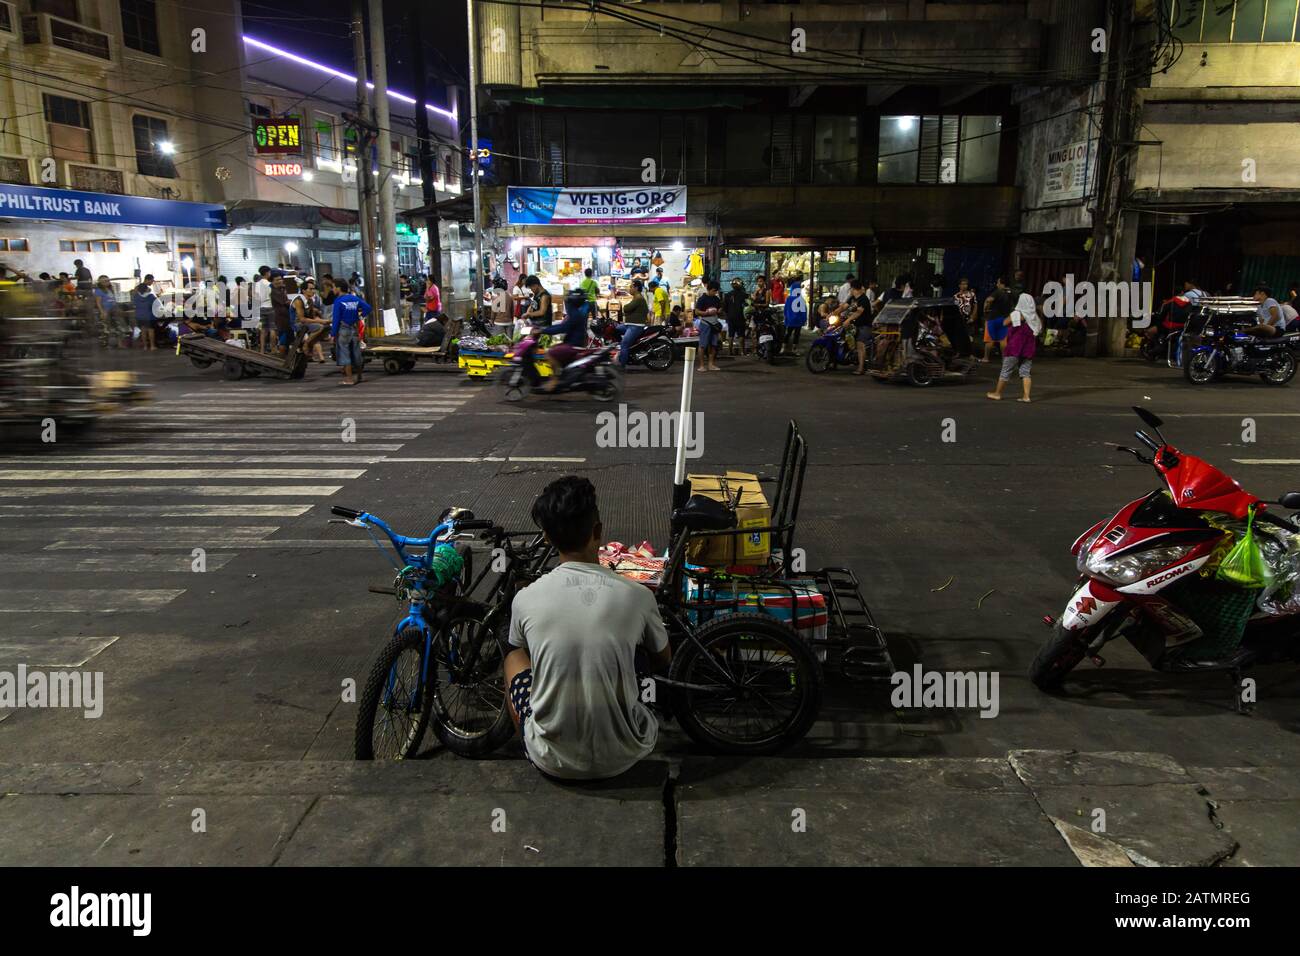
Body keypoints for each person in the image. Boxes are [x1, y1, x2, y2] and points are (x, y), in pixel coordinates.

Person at [503, 476, 670, 781]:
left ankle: (532, 738)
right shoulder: (638, 596)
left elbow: (524, 648)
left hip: (553, 763)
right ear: (598, 532)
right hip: (628, 753)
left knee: (514, 657)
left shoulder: (525, 598)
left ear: (548, 538)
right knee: (639, 655)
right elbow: (664, 659)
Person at [986, 292, 1041, 403]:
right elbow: (1039, 330)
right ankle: (1026, 396)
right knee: (1025, 372)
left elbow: (1005, 323)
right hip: (1028, 348)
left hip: (1015, 347)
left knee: (1005, 371)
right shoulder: (1035, 317)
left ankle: (997, 393)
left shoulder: (1016, 314)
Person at [537, 285, 591, 390]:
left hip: (574, 345)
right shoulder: (576, 312)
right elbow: (563, 327)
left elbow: (562, 328)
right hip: (576, 342)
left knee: (550, 353)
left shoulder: (574, 314)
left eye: (567, 301)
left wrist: (543, 330)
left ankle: (554, 380)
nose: (566, 303)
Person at [331, 278, 371, 385]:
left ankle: (349, 379)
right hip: (354, 329)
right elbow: (368, 308)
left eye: (334, 287)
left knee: (345, 353)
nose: (332, 289)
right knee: (356, 353)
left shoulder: (338, 301)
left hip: (343, 329)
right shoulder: (354, 298)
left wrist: (333, 334)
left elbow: (336, 319)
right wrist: (360, 317)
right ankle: (359, 376)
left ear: (339, 288)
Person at [615, 278, 649, 367]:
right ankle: (623, 350)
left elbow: (626, 308)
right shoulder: (636, 298)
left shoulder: (638, 298)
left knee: (624, 344)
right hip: (629, 325)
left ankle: (622, 365)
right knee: (616, 328)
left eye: (631, 287)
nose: (630, 289)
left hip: (635, 326)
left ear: (636, 288)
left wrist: (626, 310)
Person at [842, 278, 872, 375]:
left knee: (860, 344)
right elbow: (843, 307)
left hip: (864, 326)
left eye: (851, 288)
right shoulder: (852, 298)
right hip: (853, 326)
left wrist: (848, 320)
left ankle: (861, 368)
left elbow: (859, 312)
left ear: (854, 288)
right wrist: (832, 313)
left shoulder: (863, 299)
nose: (850, 290)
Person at [693, 279, 724, 372]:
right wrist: (706, 313)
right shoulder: (702, 299)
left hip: (714, 324)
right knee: (703, 345)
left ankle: (711, 364)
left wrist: (719, 310)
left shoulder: (716, 299)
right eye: (714, 291)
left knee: (713, 345)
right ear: (709, 289)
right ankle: (702, 365)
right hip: (705, 324)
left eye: (716, 291)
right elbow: (697, 311)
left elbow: (720, 308)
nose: (715, 292)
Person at [982, 276, 1014, 363]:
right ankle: (1004, 359)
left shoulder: (998, 292)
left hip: (993, 318)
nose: (997, 284)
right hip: (1004, 319)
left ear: (1001, 283)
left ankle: (986, 358)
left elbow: (989, 300)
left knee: (989, 339)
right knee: (1003, 340)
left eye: (998, 282)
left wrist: (985, 309)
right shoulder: (1011, 292)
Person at [92, 276, 125, 347]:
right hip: (106, 310)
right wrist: (102, 312)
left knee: (118, 326)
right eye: (104, 281)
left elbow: (113, 299)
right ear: (100, 282)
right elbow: (98, 302)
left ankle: (120, 343)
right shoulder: (98, 290)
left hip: (114, 309)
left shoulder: (110, 289)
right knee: (107, 327)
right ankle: (106, 343)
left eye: (107, 281)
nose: (106, 282)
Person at [723, 278, 749, 355]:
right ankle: (742, 351)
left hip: (730, 317)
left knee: (731, 334)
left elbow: (725, 308)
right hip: (740, 317)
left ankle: (730, 351)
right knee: (741, 334)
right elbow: (747, 306)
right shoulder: (744, 295)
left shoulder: (727, 295)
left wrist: (727, 315)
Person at [782, 274, 807, 355]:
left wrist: (785, 318)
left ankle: (783, 349)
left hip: (790, 320)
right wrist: (804, 320)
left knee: (788, 334)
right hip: (798, 321)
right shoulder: (801, 299)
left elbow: (785, 310)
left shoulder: (789, 298)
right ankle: (794, 349)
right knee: (796, 335)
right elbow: (803, 311)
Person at [131, 280, 159, 350]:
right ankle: (152, 346)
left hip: (139, 316)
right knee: (150, 331)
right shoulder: (151, 296)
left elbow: (134, 304)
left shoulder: (136, 296)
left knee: (143, 331)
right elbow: (157, 304)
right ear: (146, 288)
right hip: (149, 316)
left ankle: (145, 346)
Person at [253, 266, 273, 352]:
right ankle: (273, 349)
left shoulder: (256, 284)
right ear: (267, 273)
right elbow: (272, 296)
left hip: (261, 308)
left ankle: (261, 350)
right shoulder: (269, 284)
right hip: (270, 307)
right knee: (273, 329)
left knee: (263, 330)